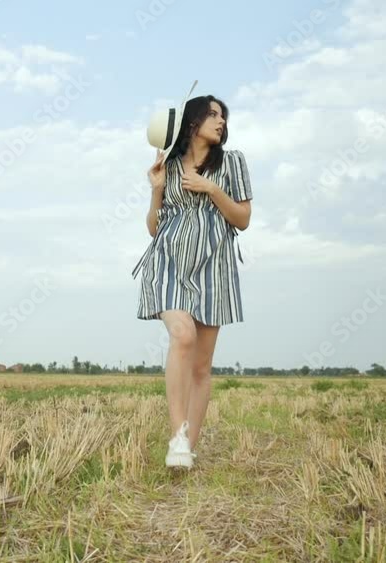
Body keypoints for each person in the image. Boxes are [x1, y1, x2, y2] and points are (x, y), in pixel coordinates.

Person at [131, 94, 253, 469]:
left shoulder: (232, 162)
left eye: (223, 116)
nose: (221, 120)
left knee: (201, 367)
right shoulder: (168, 166)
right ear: (192, 122)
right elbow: (154, 228)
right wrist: (156, 190)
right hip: (168, 262)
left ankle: (187, 449)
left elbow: (243, 219)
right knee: (182, 335)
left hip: (214, 267)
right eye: (212, 114)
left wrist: (210, 188)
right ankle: (178, 436)